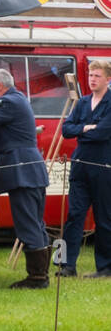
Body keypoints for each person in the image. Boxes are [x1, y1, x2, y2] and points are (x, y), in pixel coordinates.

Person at [0, 69, 51, 288]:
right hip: (31, 170)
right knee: (35, 223)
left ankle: (37, 278)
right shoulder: (17, 99)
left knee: (27, 224)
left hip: (22, 171)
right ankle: (41, 275)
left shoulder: (9, 102)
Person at [55, 58, 111, 277]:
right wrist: (87, 127)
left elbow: (104, 132)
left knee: (104, 217)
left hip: (103, 166)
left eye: (97, 76)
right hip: (80, 166)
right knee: (74, 215)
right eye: (90, 75)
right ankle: (67, 265)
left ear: (108, 79)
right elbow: (66, 130)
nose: (92, 79)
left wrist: (82, 131)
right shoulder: (82, 102)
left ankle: (106, 266)